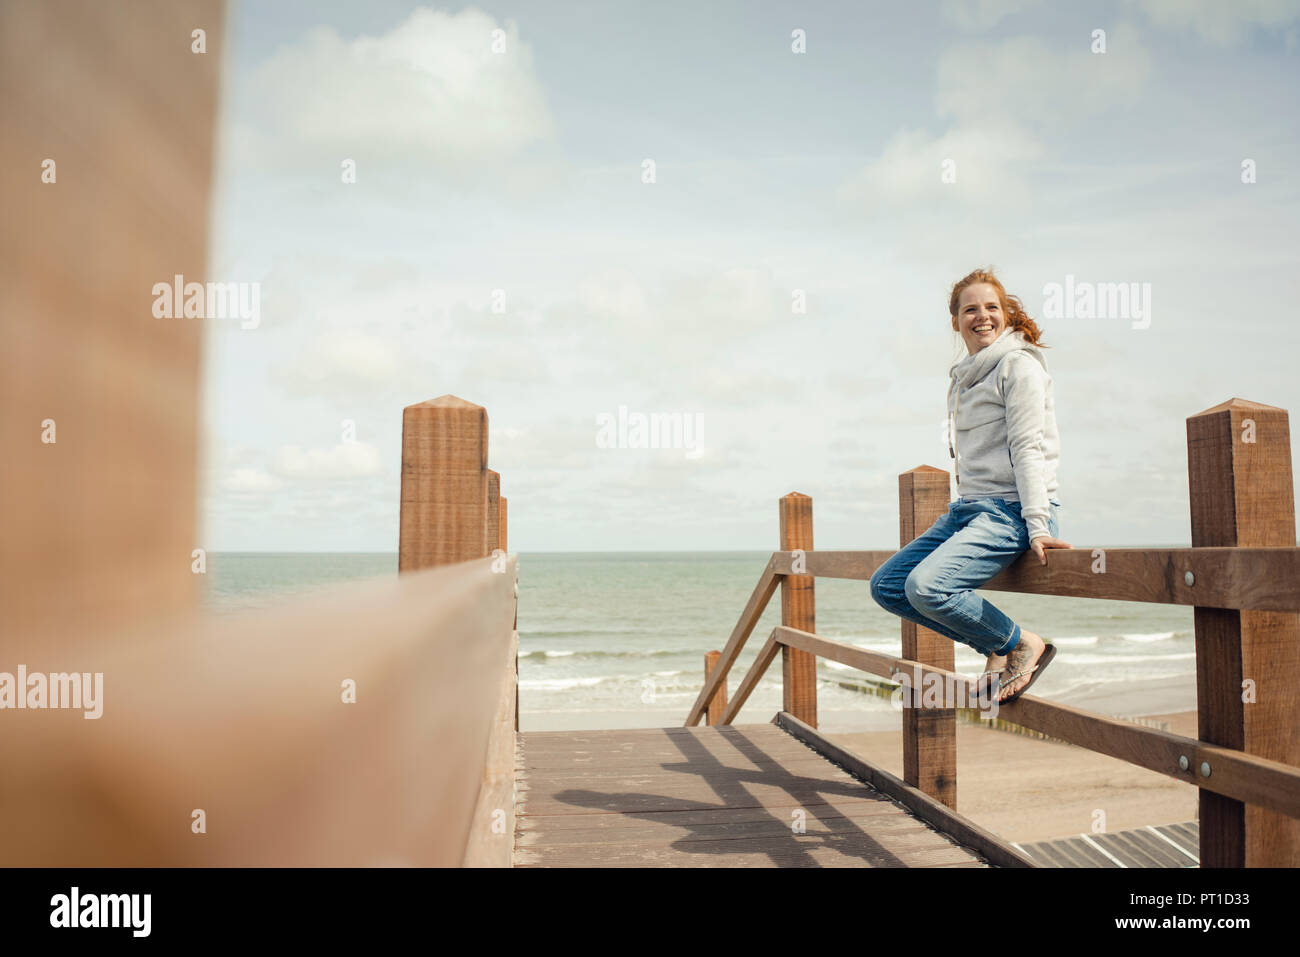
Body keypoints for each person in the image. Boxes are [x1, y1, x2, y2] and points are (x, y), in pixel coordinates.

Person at [868, 267, 1071, 704]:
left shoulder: (1018, 368)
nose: (983, 316)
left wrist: (1037, 525)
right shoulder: (963, 376)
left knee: (927, 586)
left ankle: (1020, 643)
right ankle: (998, 644)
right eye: (970, 309)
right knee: (887, 586)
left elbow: (1027, 448)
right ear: (956, 321)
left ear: (1006, 314)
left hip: (1013, 510)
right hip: (970, 510)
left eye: (992, 307)